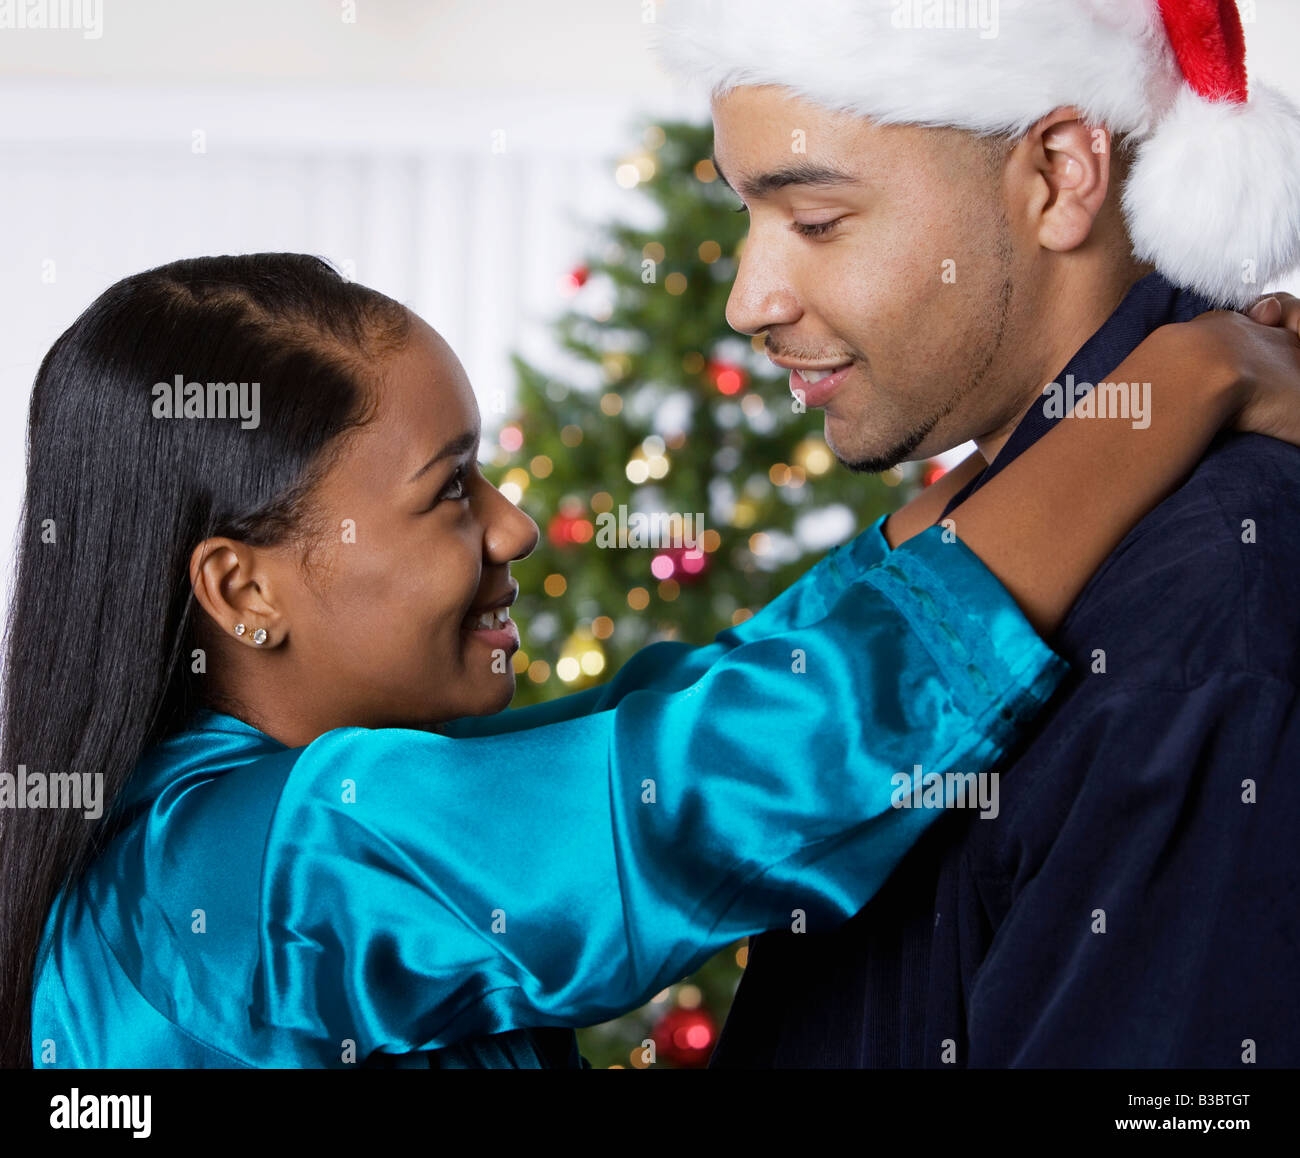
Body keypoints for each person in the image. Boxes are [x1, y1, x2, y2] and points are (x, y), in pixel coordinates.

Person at [3, 253, 1297, 1070]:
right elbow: (703, 782)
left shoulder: (253, 814)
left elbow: (696, 701)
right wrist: (1200, 371)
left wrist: (1054, 435)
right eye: (451, 494)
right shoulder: (247, 867)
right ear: (244, 587)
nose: (512, 525)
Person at [654, 0, 1300, 1067]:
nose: (748, 300)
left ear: (1056, 175)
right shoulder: (973, 524)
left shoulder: (1208, 616)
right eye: (745, 218)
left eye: (816, 222)